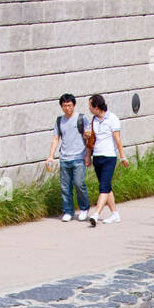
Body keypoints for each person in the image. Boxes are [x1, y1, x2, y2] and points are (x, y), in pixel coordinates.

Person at [45, 93, 90, 223]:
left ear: (74, 105)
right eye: (64, 106)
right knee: (65, 186)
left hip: (78, 157)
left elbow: (89, 138)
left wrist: (88, 156)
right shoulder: (59, 120)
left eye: (69, 105)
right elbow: (55, 138)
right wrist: (51, 156)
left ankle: (84, 208)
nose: (67, 108)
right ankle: (68, 211)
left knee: (78, 183)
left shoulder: (81, 118)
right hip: (64, 158)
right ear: (61, 106)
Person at [86, 94, 128, 226]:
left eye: (90, 106)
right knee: (106, 186)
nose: (89, 109)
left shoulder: (112, 119)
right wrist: (88, 156)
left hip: (109, 157)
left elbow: (117, 139)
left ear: (96, 106)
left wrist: (122, 157)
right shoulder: (94, 120)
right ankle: (115, 214)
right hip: (97, 156)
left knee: (103, 187)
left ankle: (96, 214)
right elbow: (92, 140)